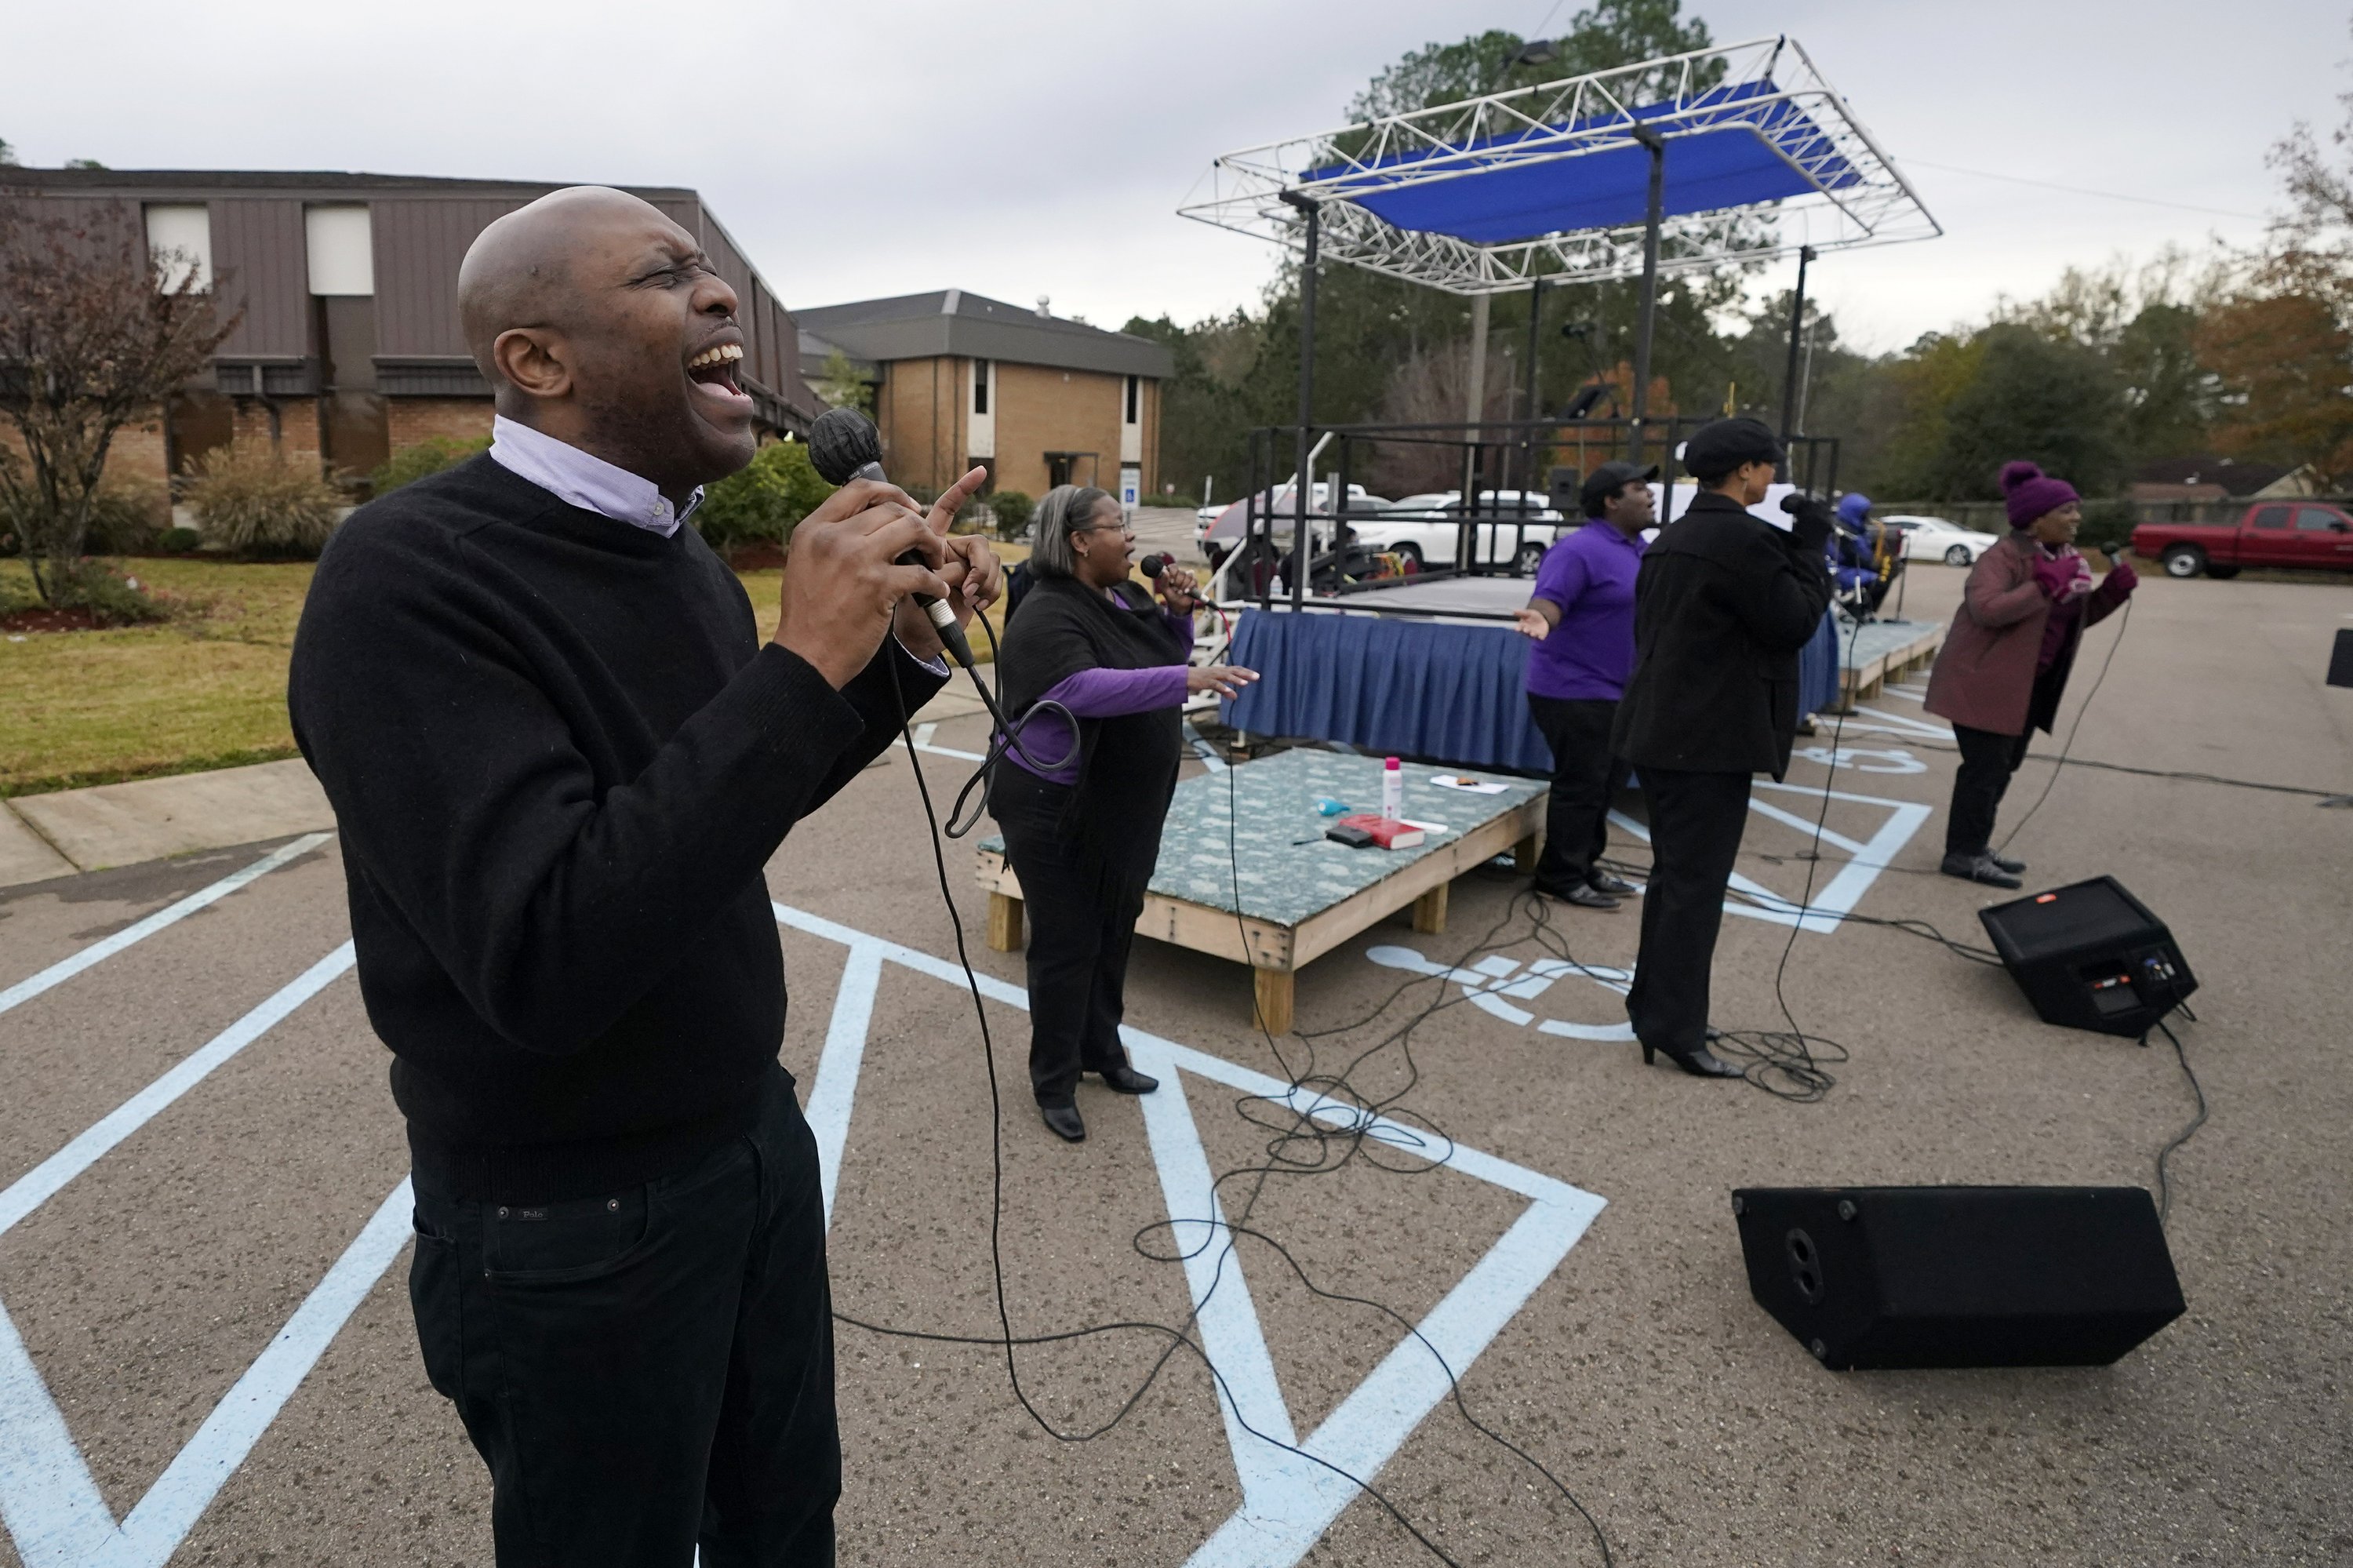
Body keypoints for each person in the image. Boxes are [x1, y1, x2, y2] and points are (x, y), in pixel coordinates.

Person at [287, 187, 1002, 1568]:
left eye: (720, 275)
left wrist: (893, 649)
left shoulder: (672, 553)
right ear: (537, 361)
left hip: (749, 1145)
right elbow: (548, 951)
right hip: (569, 1226)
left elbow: (719, 809)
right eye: (668, 276)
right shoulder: (404, 578)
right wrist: (796, 662)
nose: (722, 296)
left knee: (785, 1520)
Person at [990, 486, 1256, 1142]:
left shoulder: (1125, 599)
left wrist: (1175, 617)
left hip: (1116, 806)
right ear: (1080, 540)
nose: (1131, 538)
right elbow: (1077, 687)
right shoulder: (1046, 613)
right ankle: (1053, 1080)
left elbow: (1161, 658)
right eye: (1118, 526)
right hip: (1051, 803)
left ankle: (1100, 1052)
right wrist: (1185, 682)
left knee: (1113, 927)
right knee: (1068, 941)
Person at [1611, 418, 1833, 1078]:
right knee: (1694, 887)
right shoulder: (1743, 541)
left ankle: (1657, 1008)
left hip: (1662, 728)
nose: (1772, 479)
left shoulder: (1672, 538)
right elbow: (1793, 622)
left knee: (1674, 879)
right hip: (1705, 739)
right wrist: (1812, 549)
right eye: (1769, 467)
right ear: (1744, 471)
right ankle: (1675, 1027)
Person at [1924, 460, 2137, 888]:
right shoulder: (2001, 557)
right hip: (1983, 683)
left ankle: (1976, 844)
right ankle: (1962, 855)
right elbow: (1987, 610)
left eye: (2077, 509)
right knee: (1984, 770)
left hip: (2030, 685)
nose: (2077, 518)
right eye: (2067, 511)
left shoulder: (2069, 562)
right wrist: (2040, 586)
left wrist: (2109, 596)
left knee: (2005, 767)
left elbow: (2070, 619)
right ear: (2037, 520)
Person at [1513, 459, 1657, 910]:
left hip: (1619, 689)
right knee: (1583, 782)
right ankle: (1558, 876)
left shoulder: (1640, 549)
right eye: (1639, 488)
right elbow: (1550, 600)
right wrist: (1542, 617)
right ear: (1612, 501)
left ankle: (1583, 864)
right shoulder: (1577, 550)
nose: (1650, 495)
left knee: (1607, 782)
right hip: (1572, 688)